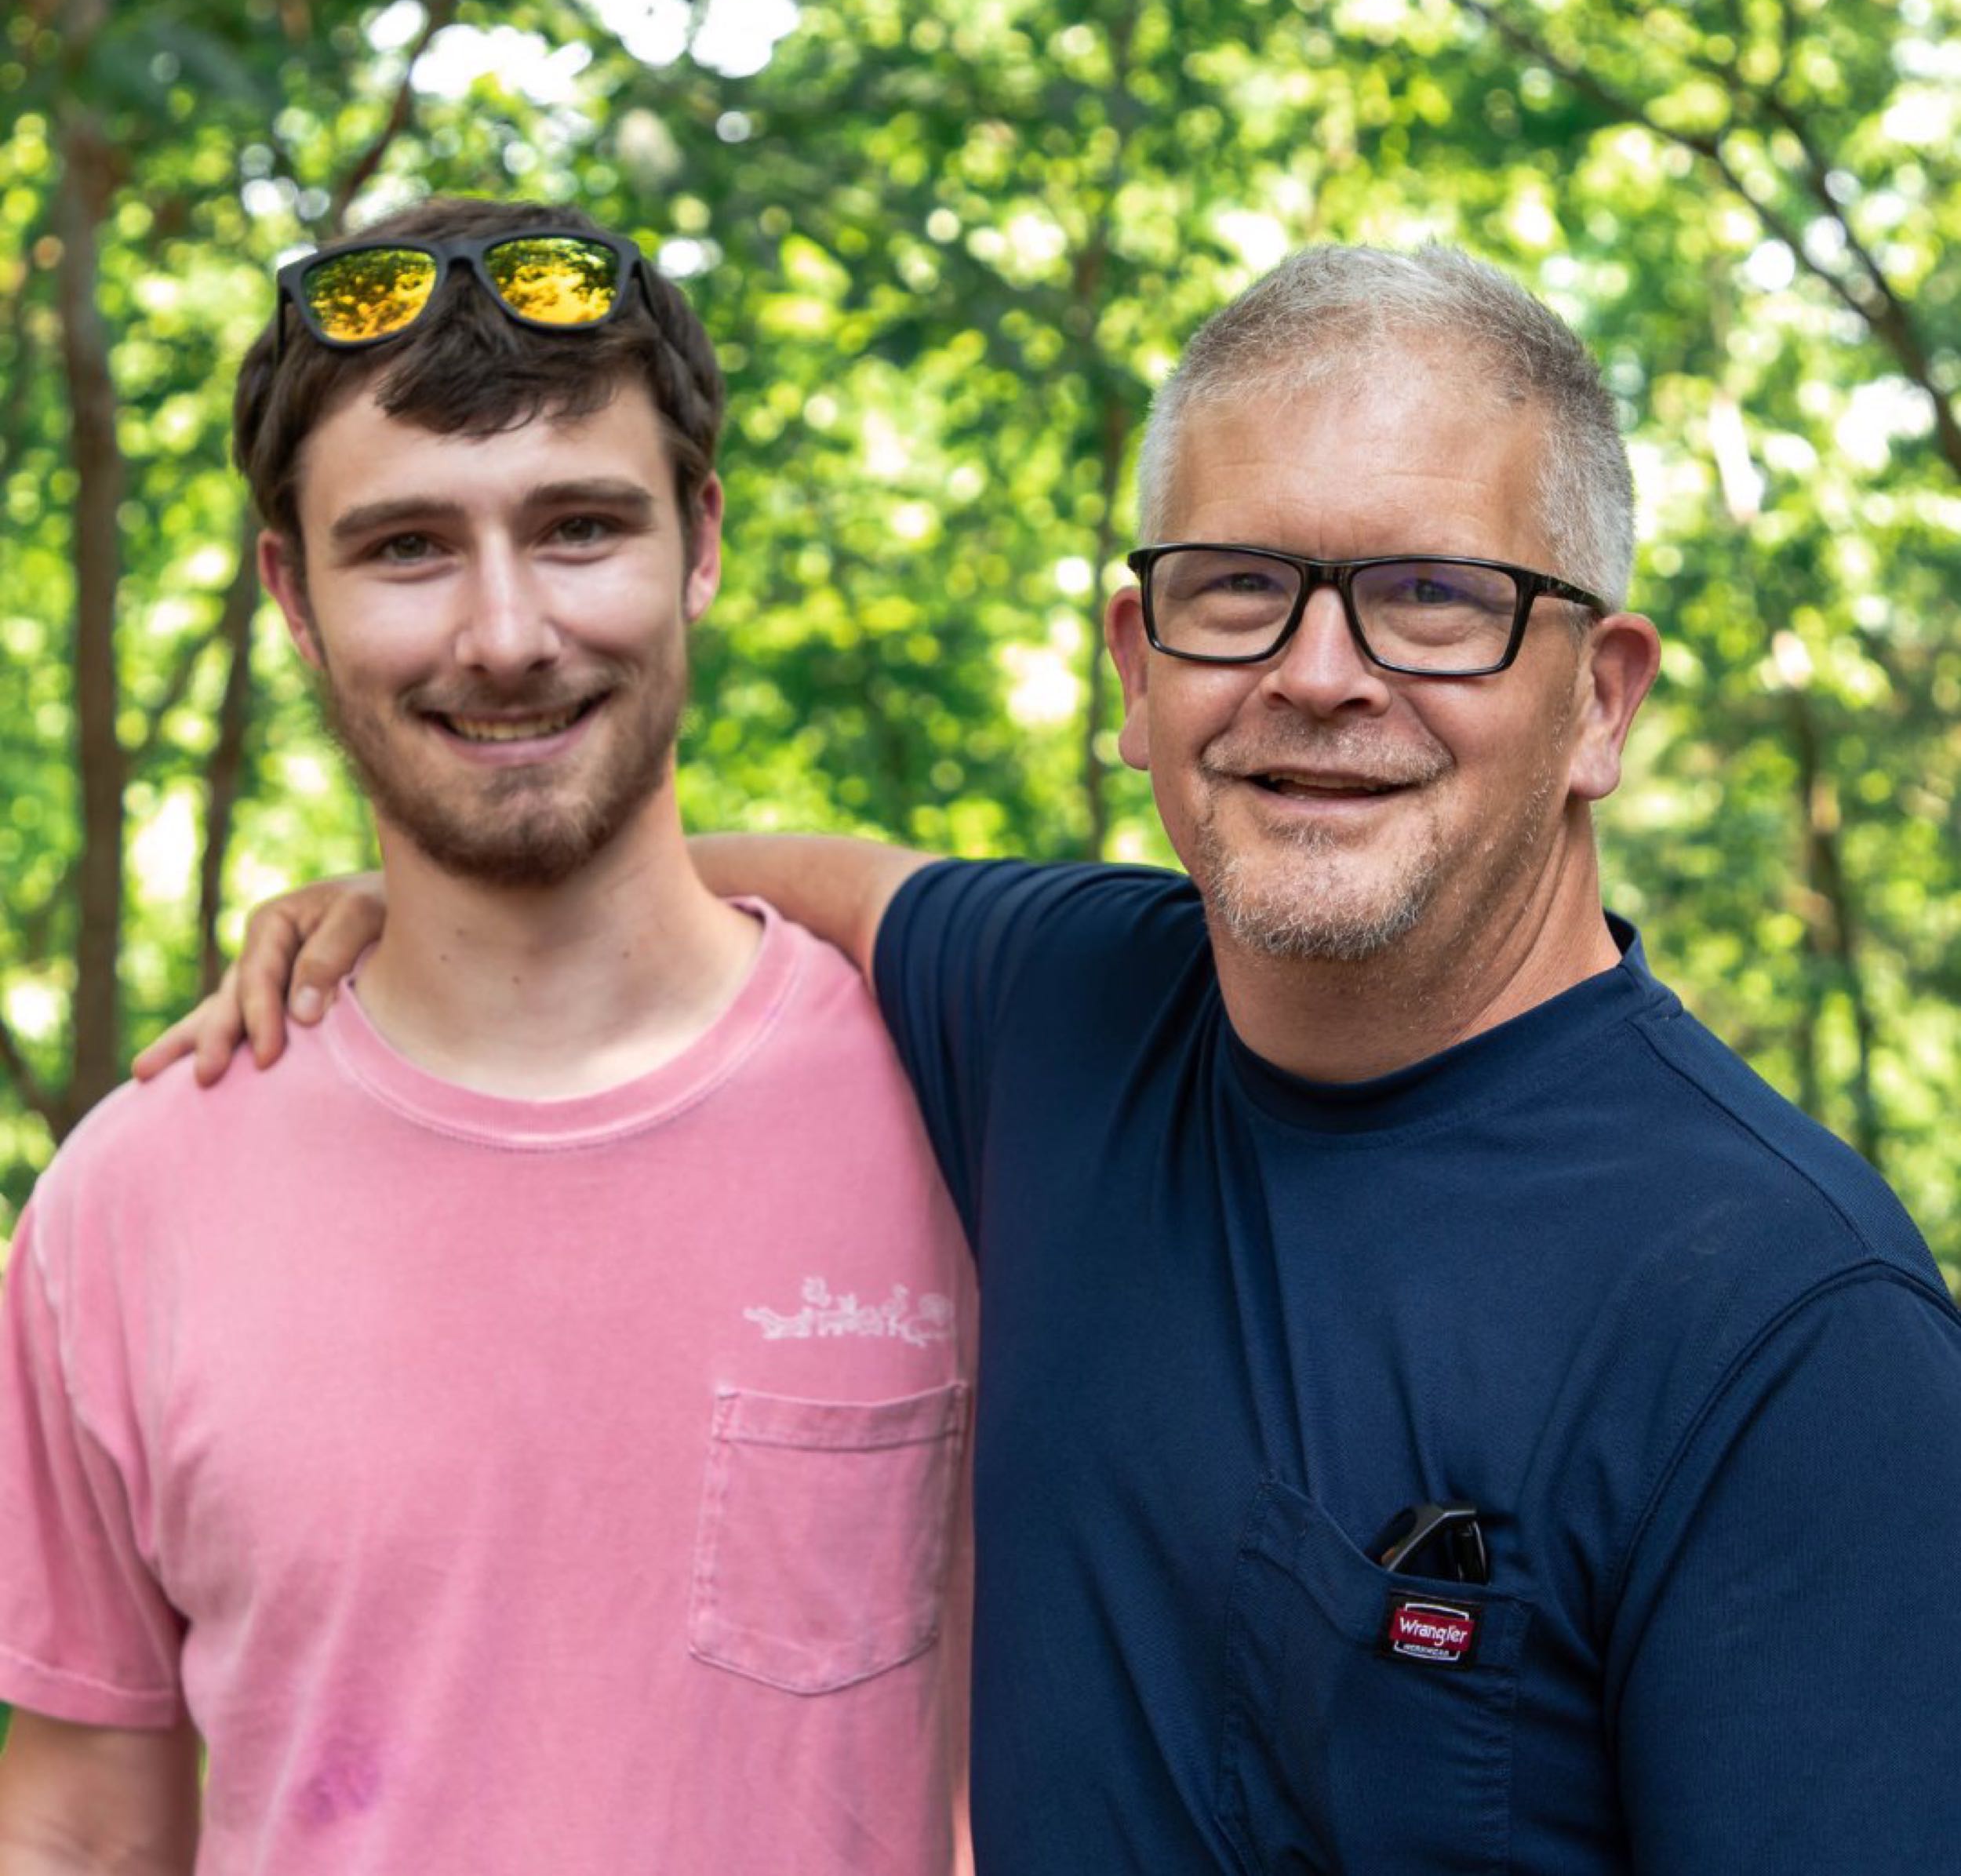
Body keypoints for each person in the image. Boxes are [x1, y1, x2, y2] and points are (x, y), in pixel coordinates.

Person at [145, 245, 1961, 1871]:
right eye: (1235, 586)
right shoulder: (1069, 1009)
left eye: (1429, 596)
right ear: (1131, 665)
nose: (1316, 672)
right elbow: (830, 883)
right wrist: (424, 889)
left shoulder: (1792, 1328)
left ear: (1601, 697)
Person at [0, 197, 975, 1875]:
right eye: (406, 548)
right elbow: (85, 1825)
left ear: (704, 538)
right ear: (291, 597)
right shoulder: (132, 1199)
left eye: (580, 524)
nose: (507, 634)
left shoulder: (974, 1110)